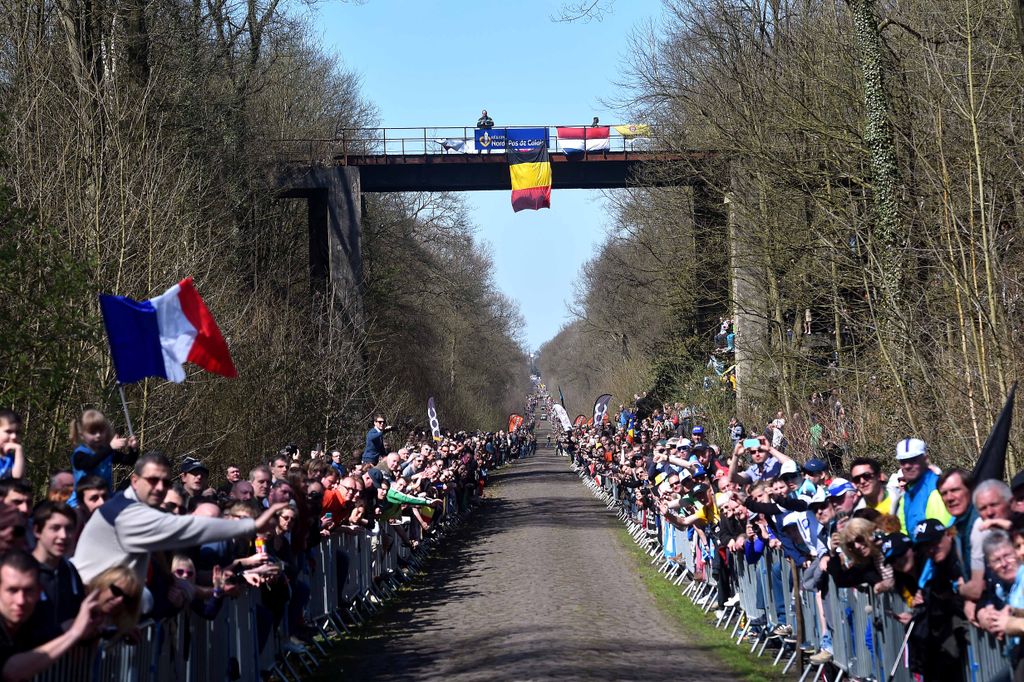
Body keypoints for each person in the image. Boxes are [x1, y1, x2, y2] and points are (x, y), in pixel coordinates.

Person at [71, 451, 288, 584]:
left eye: (165, 482)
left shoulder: (136, 507)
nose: (159, 488)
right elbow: (191, 527)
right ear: (135, 481)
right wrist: (252, 525)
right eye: (152, 480)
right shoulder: (125, 512)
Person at [0, 549, 103, 680]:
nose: (21, 600)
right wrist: (74, 632)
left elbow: (40, 641)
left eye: (28, 591)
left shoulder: (27, 623)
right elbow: (11, 671)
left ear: (39, 591)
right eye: (12, 590)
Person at [27, 502, 84, 641]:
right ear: (37, 531)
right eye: (55, 528)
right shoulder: (22, 571)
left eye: (69, 528)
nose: (63, 535)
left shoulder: (70, 571)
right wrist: (61, 631)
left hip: (68, 661)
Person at [67, 410, 137, 508]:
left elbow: (129, 461)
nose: (98, 435)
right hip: (81, 502)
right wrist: (109, 447)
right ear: (82, 434)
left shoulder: (107, 452)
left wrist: (132, 449)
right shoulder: (80, 454)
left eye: (101, 431)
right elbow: (89, 464)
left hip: (104, 499)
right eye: (93, 432)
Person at [893, 438, 950, 539]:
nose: (907, 466)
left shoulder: (936, 488)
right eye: (903, 461)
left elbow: (943, 533)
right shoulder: (907, 494)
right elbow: (904, 532)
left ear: (925, 459)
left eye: (913, 460)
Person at [0, 410, 25, 481]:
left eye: (17, 432)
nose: (14, 436)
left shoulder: (13, 459)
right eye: (8, 431)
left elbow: (18, 479)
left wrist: (19, 450)